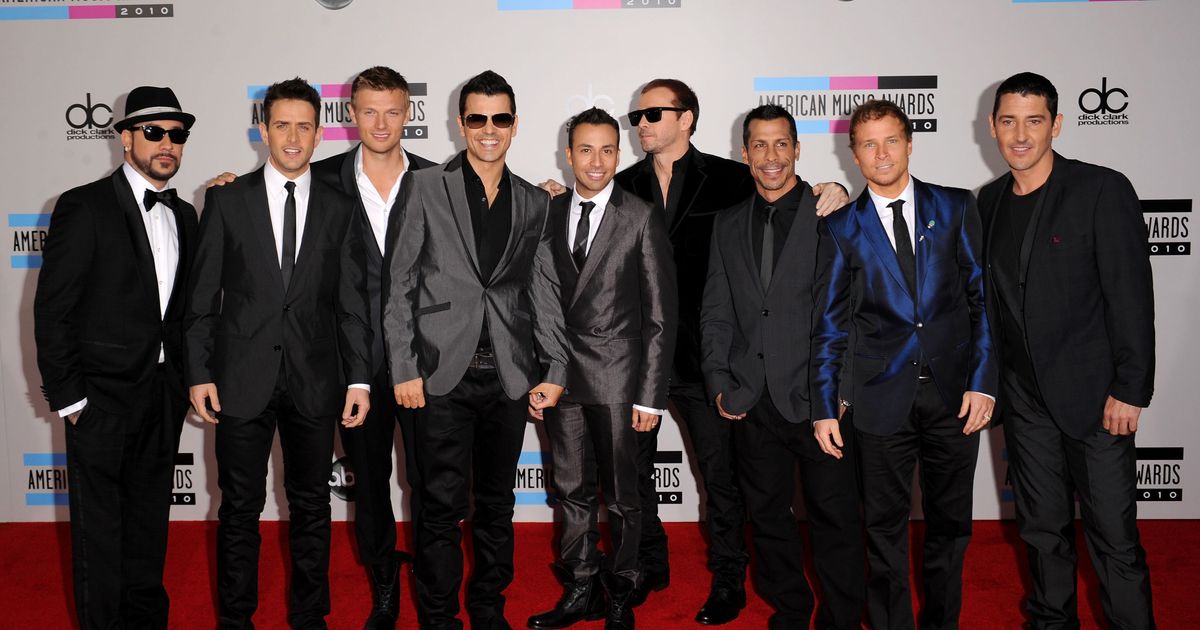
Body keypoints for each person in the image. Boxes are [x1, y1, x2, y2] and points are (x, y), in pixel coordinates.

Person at [542, 78, 848, 623]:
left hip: (709, 361)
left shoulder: (733, 178)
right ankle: (646, 565)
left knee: (721, 477)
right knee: (632, 477)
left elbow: (785, 197)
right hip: (633, 364)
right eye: (636, 116)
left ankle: (729, 575)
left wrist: (836, 190)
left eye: (653, 114)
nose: (641, 124)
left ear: (686, 118)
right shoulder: (622, 183)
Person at [207, 66, 437, 629]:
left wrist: (549, 196)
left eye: (392, 111)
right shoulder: (325, 179)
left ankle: (432, 599)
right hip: (339, 364)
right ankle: (383, 584)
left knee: (432, 487)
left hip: (421, 363)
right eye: (368, 111)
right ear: (349, 117)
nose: (380, 123)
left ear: (408, 114)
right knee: (364, 488)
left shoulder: (439, 180)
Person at [383, 70, 569, 630]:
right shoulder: (423, 187)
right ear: (460, 123)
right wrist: (403, 366)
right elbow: (400, 283)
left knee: (496, 506)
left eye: (500, 118)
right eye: (478, 118)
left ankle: (489, 610)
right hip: (440, 374)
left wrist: (556, 366)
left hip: (508, 377)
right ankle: (439, 618)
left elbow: (542, 290)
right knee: (439, 508)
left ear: (515, 124)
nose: (490, 129)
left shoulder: (534, 201)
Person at [185, 78, 372, 630]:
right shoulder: (226, 200)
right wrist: (199, 372)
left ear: (320, 133)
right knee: (239, 507)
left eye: (304, 126)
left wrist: (359, 379)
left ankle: (310, 616)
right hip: (240, 378)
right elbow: (202, 298)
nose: (293, 137)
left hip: (315, 379)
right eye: (282, 125)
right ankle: (235, 619)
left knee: (312, 505)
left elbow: (352, 303)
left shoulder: (341, 207)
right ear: (263, 130)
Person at [810, 99, 997, 630]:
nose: (881, 154)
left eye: (891, 140)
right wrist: (824, 405)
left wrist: (983, 383)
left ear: (910, 144)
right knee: (883, 531)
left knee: (950, 526)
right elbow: (830, 323)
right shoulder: (841, 227)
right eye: (868, 145)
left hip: (954, 396)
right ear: (853, 155)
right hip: (879, 398)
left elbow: (983, 300)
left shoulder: (955, 206)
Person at [980, 71, 1156, 630]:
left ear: (1056, 124)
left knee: (1113, 538)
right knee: (1040, 533)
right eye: (1009, 121)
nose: (1020, 135)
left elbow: (1130, 295)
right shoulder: (989, 202)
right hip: (1025, 403)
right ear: (992, 127)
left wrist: (1130, 389)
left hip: (1097, 401)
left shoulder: (1101, 189)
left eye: (1034, 121)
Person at [34, 85, 198, 630]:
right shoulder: (84, 205)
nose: (167, 143)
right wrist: (71, 400)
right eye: (153, 132)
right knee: (99, 535)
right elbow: (53, 309)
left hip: (163, 394)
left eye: (176, 134)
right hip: (100, 399)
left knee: (150, 526)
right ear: (126, 138)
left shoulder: (187, 215)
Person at [700, 104, 864, 630]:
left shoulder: (832, 215)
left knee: (835, 519)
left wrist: (841, 391)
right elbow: (716, 311)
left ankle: (841, 619)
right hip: (753, 401)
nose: (771, 156)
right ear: (744, 154)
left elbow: (854, 311)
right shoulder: (727, 224)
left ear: (796, 149)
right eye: (759, 145)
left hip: (821, 400)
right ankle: (790, 610)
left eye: (780, 144)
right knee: (768, 518)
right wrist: (720, 383)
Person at [527, 107, 677, 630]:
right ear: (568, 155)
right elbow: (540, 298)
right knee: (570, 491)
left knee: (623, 498)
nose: (597, 161)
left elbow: (660, 315)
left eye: (608, 150)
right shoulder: (547, 212)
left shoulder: (640, 215)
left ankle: (622, 590)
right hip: (562, 378)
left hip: (619, 379)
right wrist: (546, 371)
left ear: (620, 153)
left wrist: (650, 396)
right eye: (586, 150)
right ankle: (581, 587)